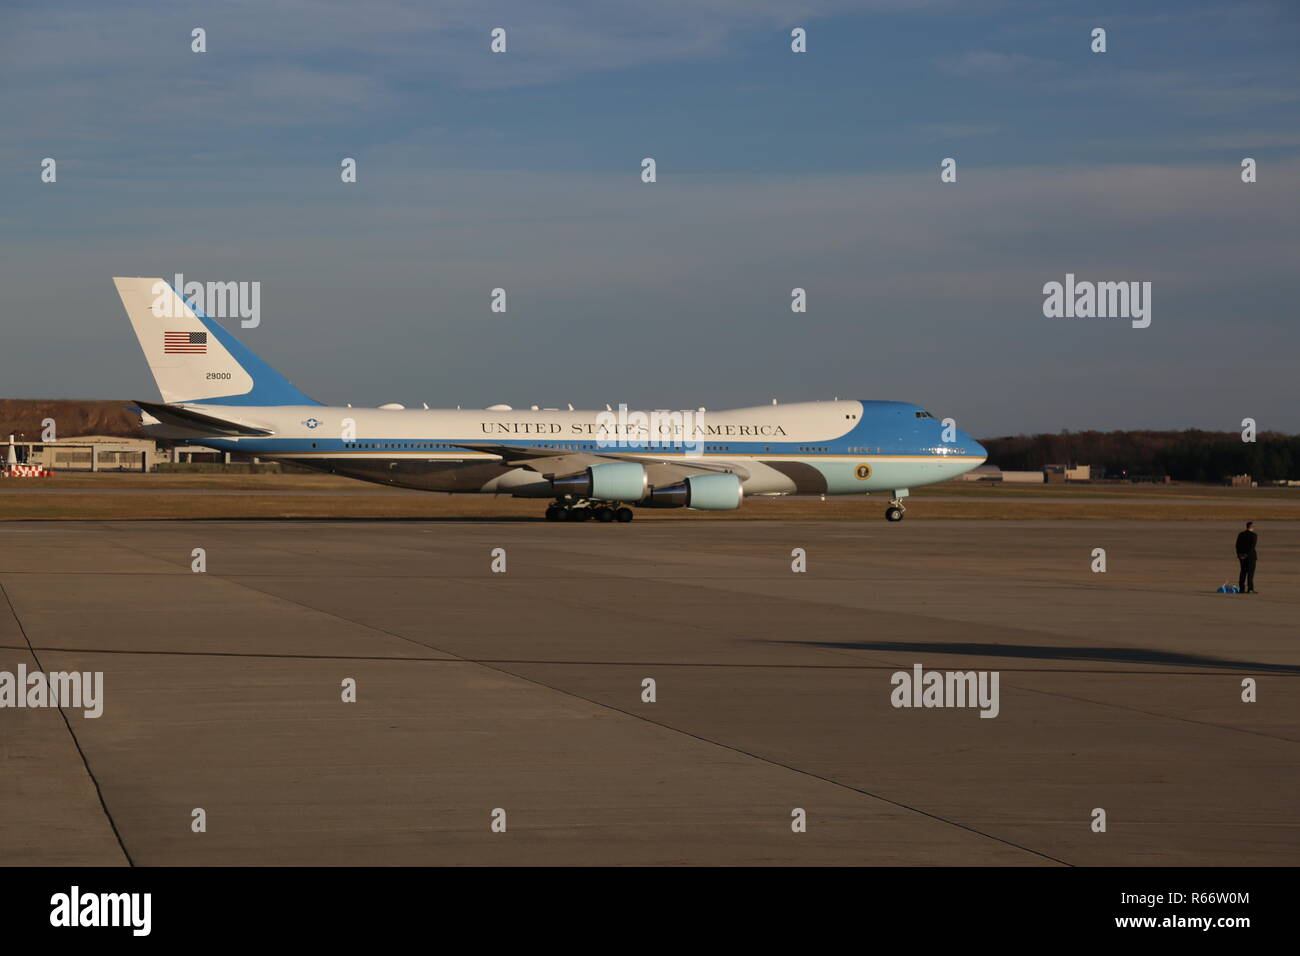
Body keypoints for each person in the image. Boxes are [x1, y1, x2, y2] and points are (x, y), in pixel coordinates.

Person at [1235, 521, 1258, 594]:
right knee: (1250, 573)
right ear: (1252, 527)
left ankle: (1241, 589)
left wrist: (1239, 555)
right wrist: (1246, 554)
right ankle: (1250, 589)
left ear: (1246, 526)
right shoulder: (1254, 535)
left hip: (1242, 557)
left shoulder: (1241, 534)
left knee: (1243, 572)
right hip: (1250, 557)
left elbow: (1237, 545)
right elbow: (1252, 547)